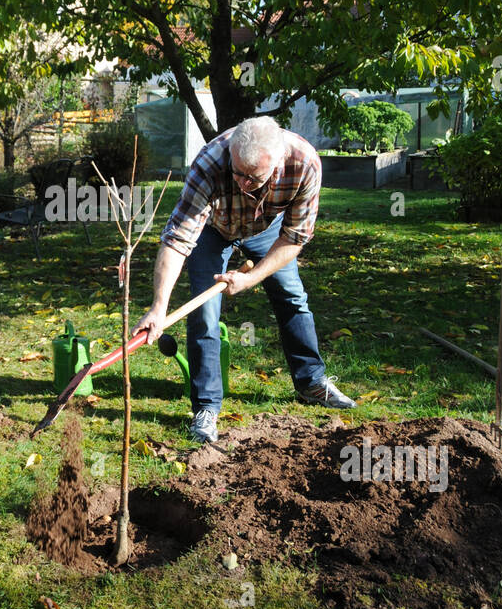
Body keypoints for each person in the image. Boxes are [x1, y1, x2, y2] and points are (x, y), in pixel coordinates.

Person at [135, 115, 356, 443]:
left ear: (278, 162)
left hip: (267, 230)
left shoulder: (304, 163)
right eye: (237, 173)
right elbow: (179, 239)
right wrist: (159, 306)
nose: (242, 183)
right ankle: (206, 407)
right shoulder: (210, 164)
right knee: (206, 312)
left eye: (253, 178)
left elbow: (294, 237)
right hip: (213, 229)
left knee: (292, 296)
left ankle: (311, 382)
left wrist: (251, 279)